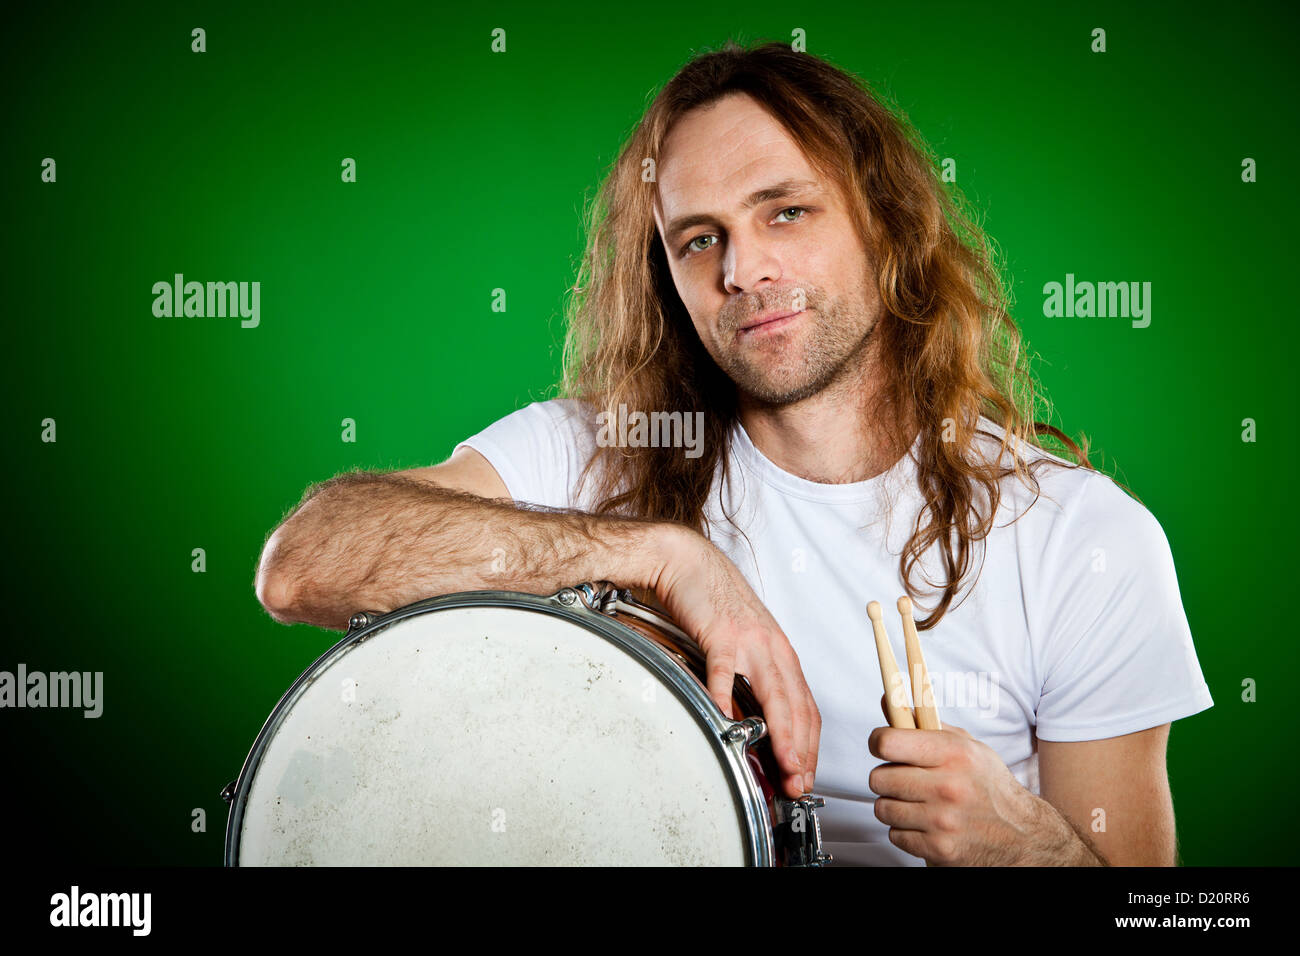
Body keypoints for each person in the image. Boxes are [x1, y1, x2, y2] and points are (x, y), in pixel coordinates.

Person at [254, 40, 1213, 866]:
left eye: (785, 211)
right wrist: (666, 559)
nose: (742, 269)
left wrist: (1025, 844)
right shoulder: (591, 454)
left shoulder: (1080, 537)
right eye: (698, 238)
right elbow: (301, 567)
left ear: (883, 224)